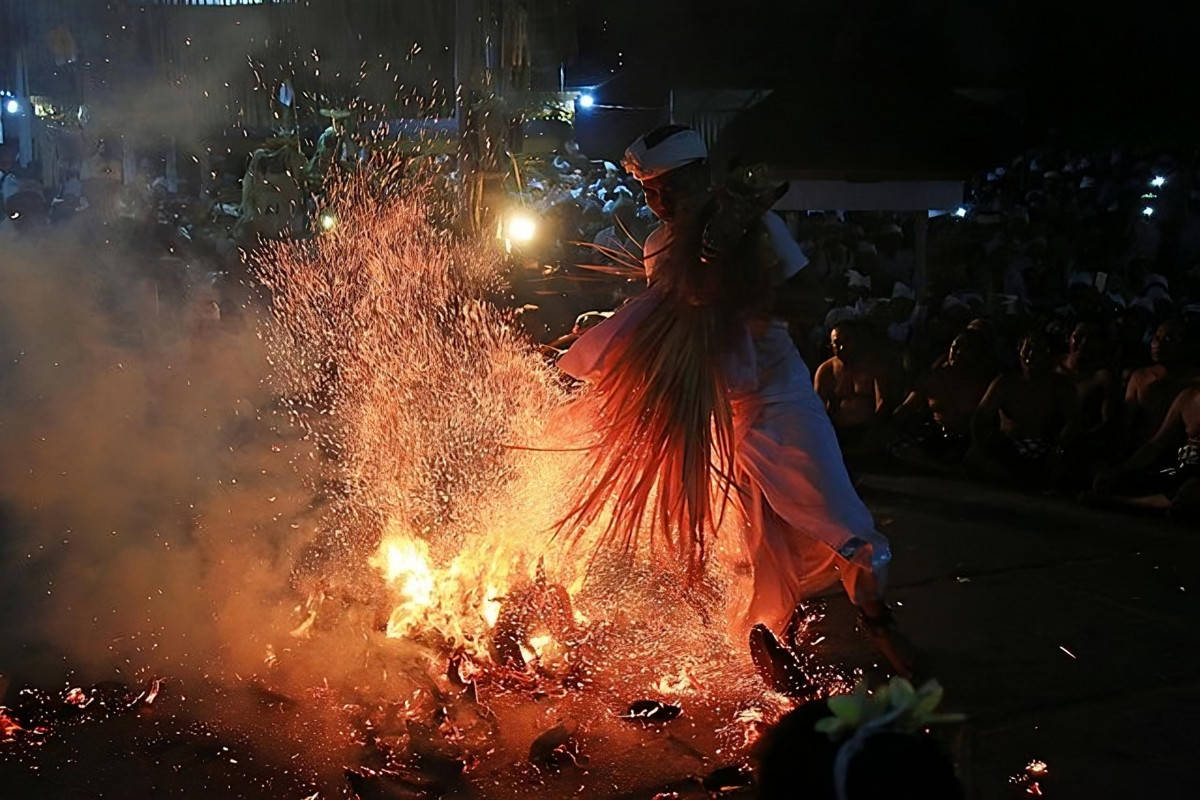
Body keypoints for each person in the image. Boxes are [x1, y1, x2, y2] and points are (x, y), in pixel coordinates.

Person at [555, 125, 906, 674]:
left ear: (698, 176)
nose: (659, 203)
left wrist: (733, 291)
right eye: (649, 192)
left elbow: (811, 300)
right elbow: (679, 327)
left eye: (667, 188)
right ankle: (772, 644)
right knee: (753, 549)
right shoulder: (659, 246)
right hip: (720, 409)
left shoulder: (756, 227)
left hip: (779, 397)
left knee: (843, 522)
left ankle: (880, 625)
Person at [966, 331, 1078, 488]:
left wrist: (1058, 447)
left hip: (1045, 449)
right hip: (1008, 448)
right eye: (1028, 348)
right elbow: (980, 418)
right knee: (975, 457)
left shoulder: (1060, 386)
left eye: (1039, 350)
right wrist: (987, 442)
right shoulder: (1005, 382)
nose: (1032, 354)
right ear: (1019, 349)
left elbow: (1073, 422)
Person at [892, 330, 996, 470]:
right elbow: (906, 407)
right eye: (956, 347)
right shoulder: (935, 376)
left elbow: (985, 421)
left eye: (967, 349)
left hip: (968, 441)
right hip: (936, 436)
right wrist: (889, 426)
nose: (958, 352)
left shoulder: (985, 381)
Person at [1091, 385, 1200, 518]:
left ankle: (1118, 503)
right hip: (1183, 466)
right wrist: (1120, 470)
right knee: (1114, 481)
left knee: (1188, 493)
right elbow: (1157, 444)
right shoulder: (1189, 397)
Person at [814, 322, 895, 456]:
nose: (841, 347)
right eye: (836, 343)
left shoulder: (874, 367)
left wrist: (872, 432)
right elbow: (817, 407)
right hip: (837, 432)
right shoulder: (826, 370)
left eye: (846, 341)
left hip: (868, 430)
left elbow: (883, 403)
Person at [1123, 319, 1198, 452]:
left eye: (1169, 339)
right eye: (1156, 337)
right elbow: (1124, 424)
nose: (1158, 344)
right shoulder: (1140, 377)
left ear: (1186, 345)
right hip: (1141, 452)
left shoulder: (1195, 385)